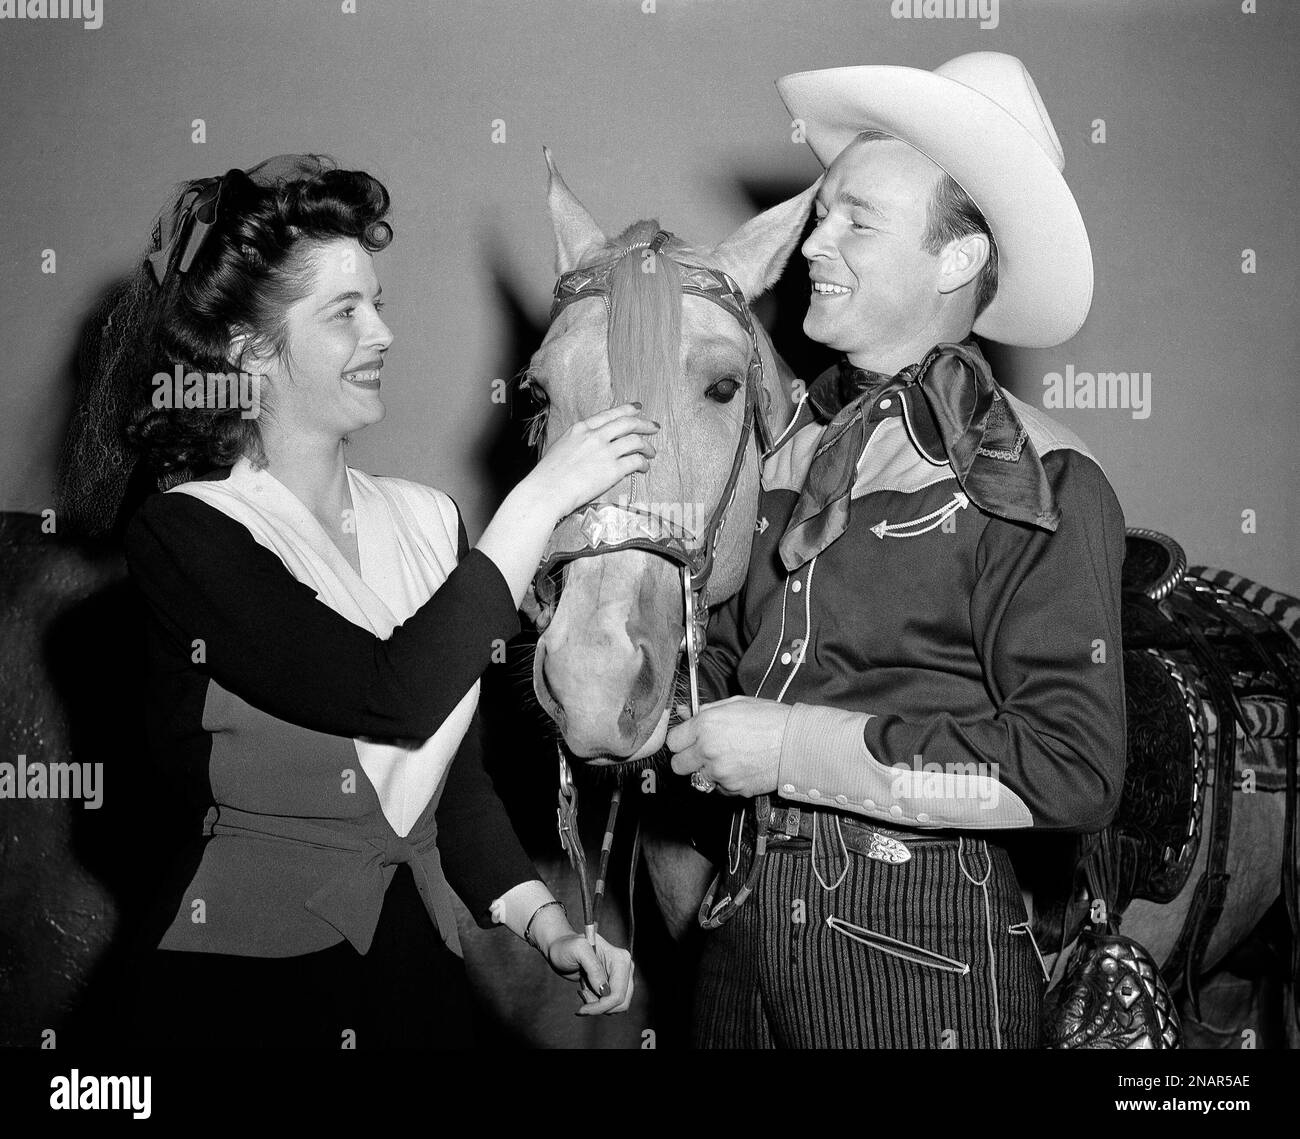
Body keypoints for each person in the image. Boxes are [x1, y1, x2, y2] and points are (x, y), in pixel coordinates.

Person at [117, 154, 656, 1047]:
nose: (383, 333)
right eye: (344, 312)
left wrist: (544, 923)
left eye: (379, 302)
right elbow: (386, 693)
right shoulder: (186, 534)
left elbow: (454, 785)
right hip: (236, 986)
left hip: (413, 975)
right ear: (250, 351)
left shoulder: (428, 520)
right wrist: (537, 501)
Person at [666, 53, 1127, 1048]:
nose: (809, 245)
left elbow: (1069, 770)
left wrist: (791, 748)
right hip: (737, 930)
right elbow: (725, 662)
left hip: (921, 953)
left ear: (956, 259)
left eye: (854, 220)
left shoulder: (1037, 472)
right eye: (820, 212)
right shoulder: (787, 453)